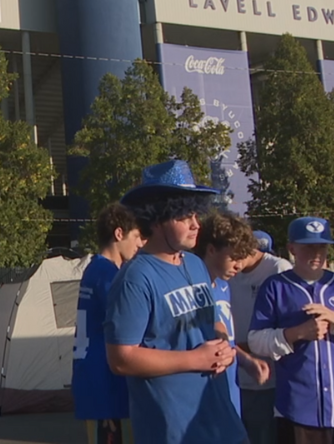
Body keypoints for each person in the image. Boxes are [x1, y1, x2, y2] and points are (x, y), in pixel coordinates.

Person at [104, 160, 245, 444]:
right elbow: (120, 359)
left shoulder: (195, 264)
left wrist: (224, 348)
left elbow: (213, 321)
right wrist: (195, 359)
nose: (195, 224)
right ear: (157, 220)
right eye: (184, 217)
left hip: (222, 421)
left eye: (195, 214)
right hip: (173, 429)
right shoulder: (135, 278)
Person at [248, 217, 334, 444]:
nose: (316, 253)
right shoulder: (275, 286)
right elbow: (256, 340)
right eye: (308, 247)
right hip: (297, 408)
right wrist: (296, 333)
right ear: (292, 248)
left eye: (321, 246)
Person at [74, 203, 145, 444]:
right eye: (136, 236)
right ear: (119, 233)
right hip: (106, 383)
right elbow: (130, 321)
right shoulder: (109, 275)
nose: (140, 244)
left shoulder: (94, 269)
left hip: (94, 378)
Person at [193, 212, 272, 417]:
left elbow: (224, 341)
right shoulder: (190, 288)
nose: (238, 265)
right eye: (233, 257)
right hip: (202, 398)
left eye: (241, 258)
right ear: (211, 249)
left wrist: (245, 361)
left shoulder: (223, 285)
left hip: (230, 390)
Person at [231, 228, 293, 444]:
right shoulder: (226, 270)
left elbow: (288, 327)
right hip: (234, 377)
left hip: (268, 378)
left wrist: (243, 349)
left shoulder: (278, 269)